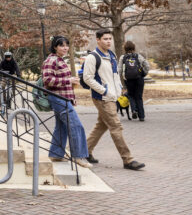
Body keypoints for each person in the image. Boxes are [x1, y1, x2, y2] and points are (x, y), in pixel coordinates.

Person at [83, 29, 145, 170]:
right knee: (116, 126)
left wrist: (118, 89)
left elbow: (115, 74)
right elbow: (87, 78)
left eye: (110, 38)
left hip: (112, 96)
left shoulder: (111, 55)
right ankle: (128, 159)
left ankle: (85, 151)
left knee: (101, 125)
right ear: (98, 40)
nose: (108, 41)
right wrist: (104, 91)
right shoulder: (93, 57)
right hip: (102, 97)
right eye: (105, 39)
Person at [41, 36, 91, 168]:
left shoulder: (59, 59)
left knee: (61, 127)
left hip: (63, 98)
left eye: (67, 45)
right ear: (55, 47)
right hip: (58, 99)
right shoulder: (51, 60)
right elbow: (47, 80)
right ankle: (78, 156)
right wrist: (69, 80)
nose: (65, 48)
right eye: (62, 45)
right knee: (76, 126)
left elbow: (60, 81)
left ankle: (56, 154)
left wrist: (71, 93)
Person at [118, 41, 150, 121]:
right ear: (134, 47)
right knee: (139, 97)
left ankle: (134, 110)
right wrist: (144, 73)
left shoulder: (123, 57)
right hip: (139, 79)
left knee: (131, 95)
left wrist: (120, 78)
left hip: (128, 80)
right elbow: (147, 65)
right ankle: (141, 116)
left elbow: (119, 70)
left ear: (125, 48)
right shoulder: (138, 56)